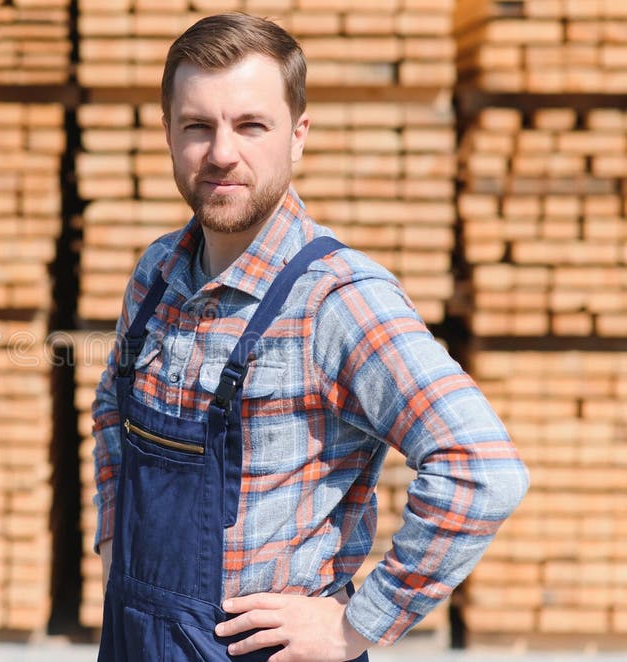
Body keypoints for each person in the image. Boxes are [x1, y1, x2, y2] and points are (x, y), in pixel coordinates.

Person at [91, 12, 529, 662]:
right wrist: (112, 543)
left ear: (297, 137)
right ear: (167, 133)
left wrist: (356, 625)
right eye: (197, 126)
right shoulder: (156, 274)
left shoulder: (337, 297)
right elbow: (110, 409)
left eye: (250, 126)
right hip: (133, 637)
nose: (221, 152)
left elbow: (483, 468)